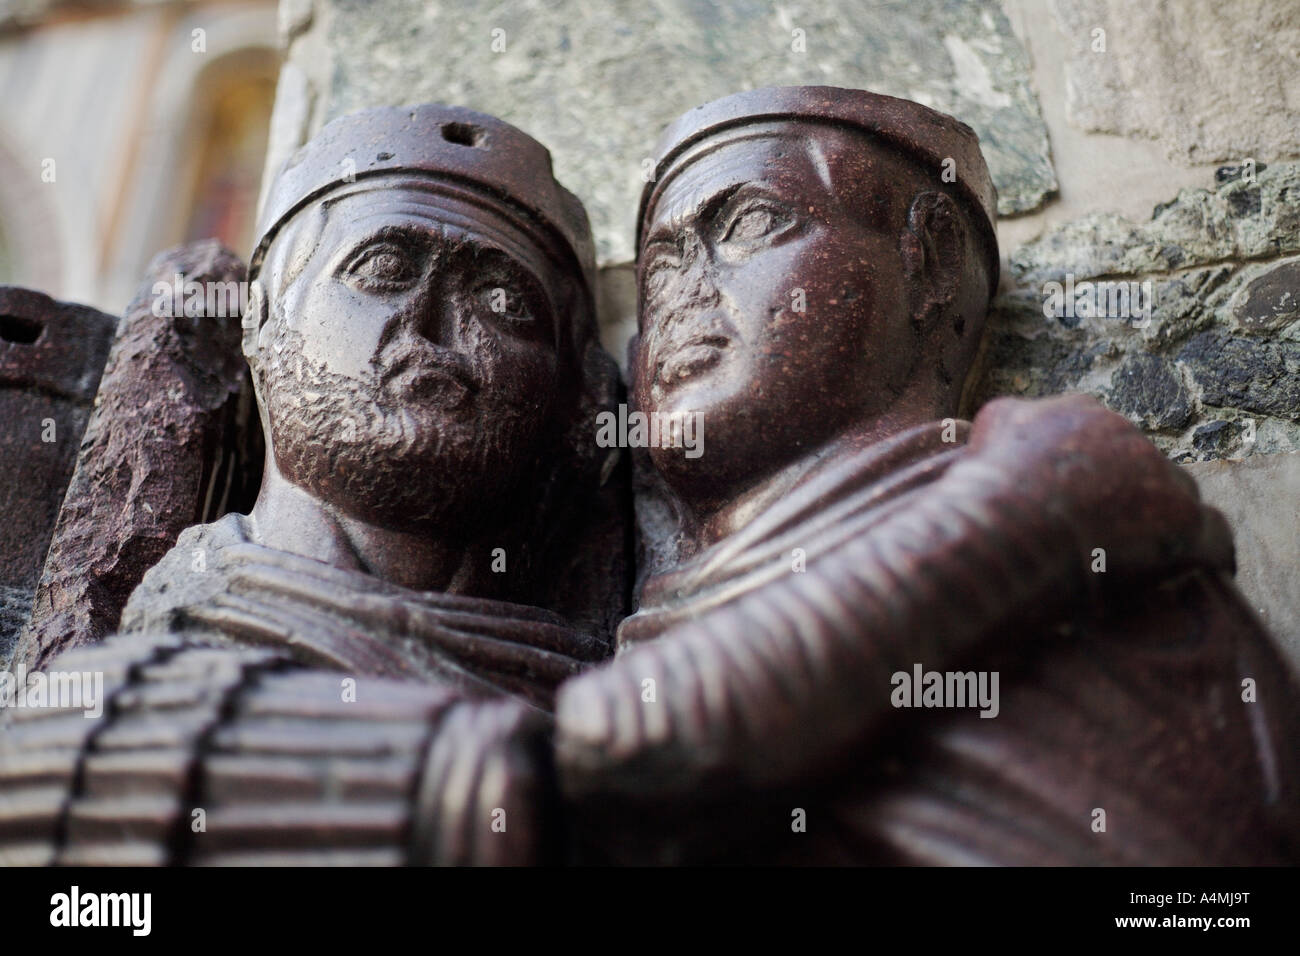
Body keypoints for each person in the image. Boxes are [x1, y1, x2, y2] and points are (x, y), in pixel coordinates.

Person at [553, 86, 1300, 864]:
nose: (681, 296)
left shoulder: (1085, 570)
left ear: (931, 259)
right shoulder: (1044, 510)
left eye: (748, 225)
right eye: (661, 267)